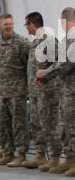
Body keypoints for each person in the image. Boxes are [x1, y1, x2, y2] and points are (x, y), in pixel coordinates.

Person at [36, 6, 75, 176]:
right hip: (66, 90)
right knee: (66, 125)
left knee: (72, 126)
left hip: (72, 91)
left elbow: (66, 64)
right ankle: (69, 160)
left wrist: (45, 73)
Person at [22, 13, 60, 170]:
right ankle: (40, 154)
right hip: (35, 92)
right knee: (37, 123)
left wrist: (45, 74)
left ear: (32, 24)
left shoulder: (49, 41)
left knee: (49, 124)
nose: (26, 29)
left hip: (47, 92)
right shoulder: (36, 42)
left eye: (27, 25)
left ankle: (55, 157)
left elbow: (59, 63)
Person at [0, 14, 29, 166]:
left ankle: (21, 154)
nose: (8, 27)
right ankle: (7, 153)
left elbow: (28, 66)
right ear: (0, 25)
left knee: (19, 123)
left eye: (10, 24)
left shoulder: (22, 43)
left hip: (17, 90)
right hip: (0, 90)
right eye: (5, 24)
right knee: (2, 124)